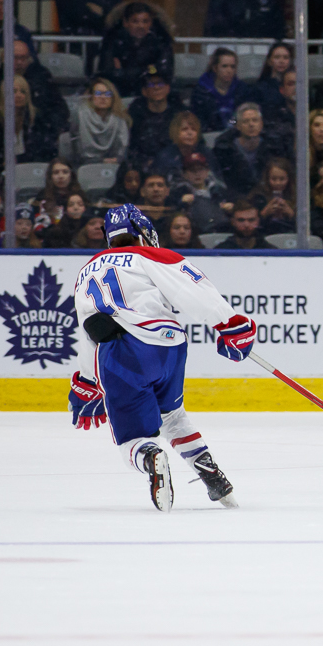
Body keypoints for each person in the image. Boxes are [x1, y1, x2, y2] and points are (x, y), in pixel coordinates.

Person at [68, 204, 248, 511]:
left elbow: (88, 332)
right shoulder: (151, 255)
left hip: (121, 354)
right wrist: (228, 323)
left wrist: (88, 381)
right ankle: (212, 476)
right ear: (143, 232)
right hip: (169, 347)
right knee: (173, 416)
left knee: (132, 442)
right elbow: (191, 288)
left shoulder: (85, 273)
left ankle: (151, 456)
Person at [0, 38, 69, 135]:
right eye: (15, 58)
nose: (19, 62)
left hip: (38, 137)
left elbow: (59, 109)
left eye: (23, 58)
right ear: (4, 59)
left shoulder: (41, 77)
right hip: (0, 138)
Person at [0, 74, 58, 170]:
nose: (19, 95)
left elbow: (44, 150)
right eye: (14, 92)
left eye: (23, 92)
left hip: (31, 168)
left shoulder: (38, 119)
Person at [97, 1, 175, 97]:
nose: (140, 26)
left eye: (145, 21)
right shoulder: (112, 41)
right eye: (135, 21)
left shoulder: (161, 42)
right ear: (125, 23)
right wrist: (148, 69)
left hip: (150, 95)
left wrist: (122, 72)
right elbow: (106, 73)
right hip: (118, 94)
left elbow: (164, 73)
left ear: (150, 23)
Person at [214, 104, 283, 197]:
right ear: (238, 126)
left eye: (255, 120)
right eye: (246, 121)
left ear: (261, 124)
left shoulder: (274, 147)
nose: (251, 124)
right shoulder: (225, 150)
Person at [128, 66, 188, 167]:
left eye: (160, 83)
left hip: (176, 164)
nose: (156, 87)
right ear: (144, 91)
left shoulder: (180, 114)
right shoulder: (135, 116)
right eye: (151, 84)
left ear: (168, 88)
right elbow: (133, 149)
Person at [63, 78, 130, 165]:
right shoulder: (80, 114)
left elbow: (122, 149)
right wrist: (98, 161)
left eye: (107, 94)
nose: (103, 97)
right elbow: (76, 146)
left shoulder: (120, 118)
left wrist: (116, 159)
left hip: (114, 163)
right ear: (91, 96)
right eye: (98, 93)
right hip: (85, 163)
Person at [170, 154, 231, 235]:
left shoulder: (220, 190)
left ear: (207, 171)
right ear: (184, 174)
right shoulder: (178, 192)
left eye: (200, 169)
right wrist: (181, 203)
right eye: (192, 170)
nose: (197, 174)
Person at [154, 111, 223, 183]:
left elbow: (218, 182)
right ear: (175, 132)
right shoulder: (165, 157)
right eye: (184, 129)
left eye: (194, 129)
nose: (190, 133)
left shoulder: (206, 153)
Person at [190, 48, 248, 132]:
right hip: (209, 134)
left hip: (235, 134)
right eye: (224, 66)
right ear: (215, 68)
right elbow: (199, 121)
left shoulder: (242, 90)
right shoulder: (201, 91)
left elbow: (241, 118)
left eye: (233, 67)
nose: (229, 70)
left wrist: (232, 124)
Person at [250, 157, 297, 236]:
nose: (278, 183)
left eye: (282, 179)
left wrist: (291, 214)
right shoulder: (257, 197)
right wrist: (264, 214)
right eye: (274, 179)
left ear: (289, 179)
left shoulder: (297, 196)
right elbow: (249, 227)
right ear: (267, 179)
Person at [33, 159, 85, 228]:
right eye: (56, 172)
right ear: (50, 176)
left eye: (65, 172)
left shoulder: (80, 195)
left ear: (71, 175)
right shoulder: (42, 195)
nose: (61, 176)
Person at [246, 42, 293, 115]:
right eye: (277, 57)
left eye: (285, 57)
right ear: (269, 61)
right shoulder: (259, 89)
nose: (281, 61)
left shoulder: (298, 84)